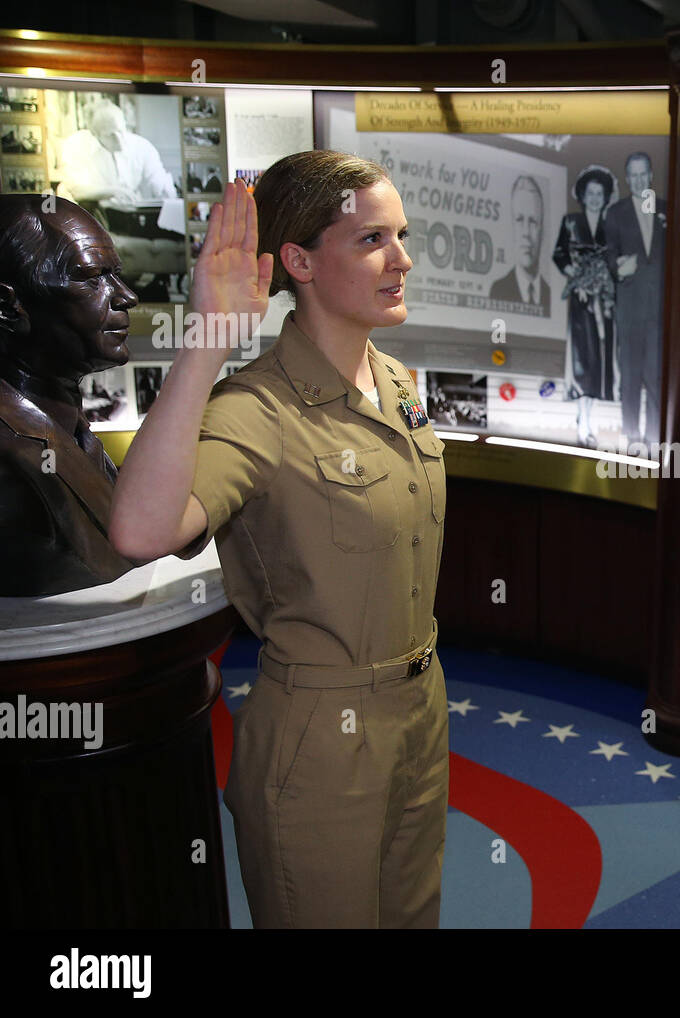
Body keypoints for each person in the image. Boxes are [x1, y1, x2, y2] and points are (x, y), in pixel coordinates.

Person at [109, 153, 450, 928]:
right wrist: (210, 340)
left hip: (421, 712)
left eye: (402, 235)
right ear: (297, 260)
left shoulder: (397, 384)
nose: (403, 259)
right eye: (372, 240)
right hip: (322, 740)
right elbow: (140, 530)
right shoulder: (258, 410)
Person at [0, 195, 139, 595]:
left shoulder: (72, 432)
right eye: (92, 276)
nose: (126, 296)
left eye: (115, 275)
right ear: (8, 307)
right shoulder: (10, 467)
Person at [602, 152, 666, 448]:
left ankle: (653, 439)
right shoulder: (615, 213)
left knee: (655, 378)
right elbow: (608, 253)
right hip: (630, 311)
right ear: (627, 179)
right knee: (630, 376)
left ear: (651, 175)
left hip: (658, 312)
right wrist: (617, 267)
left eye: (644, 174)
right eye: (634, 175)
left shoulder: (667, 211)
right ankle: (631, 438)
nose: (640, 180)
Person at [553, 164, 617, 447]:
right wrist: (575, 278)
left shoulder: (611, 224)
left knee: (599, 362)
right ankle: (583, 421)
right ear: (583, 195)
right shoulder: (570, 221)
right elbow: (559, 254)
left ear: (605, 196)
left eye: (599, 193)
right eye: (589, 193)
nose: (594, 197)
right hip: (580, 303)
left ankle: (588, 418)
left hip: (604, 303)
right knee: (583, 360)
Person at [57, 101, 177, 211]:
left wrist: (165, 191)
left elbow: (158, 180)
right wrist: (114, 191)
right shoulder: (77, 145)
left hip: (127, 215)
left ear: (124, 123)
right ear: (95, 134)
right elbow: (76, 190)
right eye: (111, 135)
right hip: (88, 214)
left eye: (120, 130)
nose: (119, 140)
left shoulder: (142, 146)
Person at [489, 175, 550, 314]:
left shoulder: (552, 297)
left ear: (542, 231)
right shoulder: (498, 291)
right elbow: (497, 336)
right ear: (511, 226)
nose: (526, 233)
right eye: (519, 220)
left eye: (533, 221)